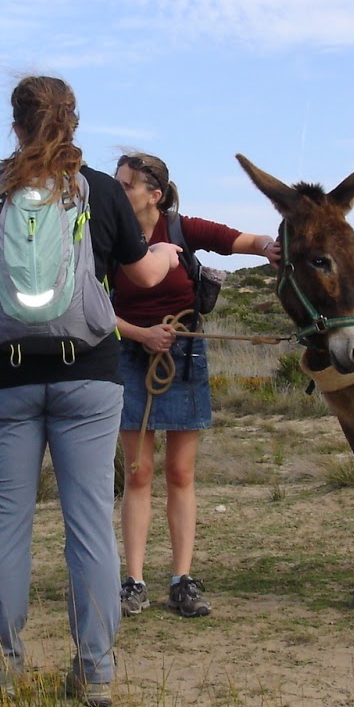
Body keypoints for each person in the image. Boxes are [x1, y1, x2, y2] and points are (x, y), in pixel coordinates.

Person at [0, 76, 179, 707]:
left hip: (5, 377)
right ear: (73, 122)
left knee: (2, 524)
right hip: (89, 375)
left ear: (15, 126)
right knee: (90, 526)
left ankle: (2, 667)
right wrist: (173, 248)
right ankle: (96, 669)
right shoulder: (102, 191)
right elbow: (139, 272)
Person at [110, 151, 280, 620]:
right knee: (139, 472)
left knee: (181, 474)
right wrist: (142, 334)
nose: (118, 191)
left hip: (184, 354)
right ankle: (134, 581)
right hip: (129, 354)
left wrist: (270, 245)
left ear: (154, 194)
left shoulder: (182, 228)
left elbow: (240, 240)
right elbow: (93, 305)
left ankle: (182, 579)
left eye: (126, 185)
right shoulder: (107, 233)